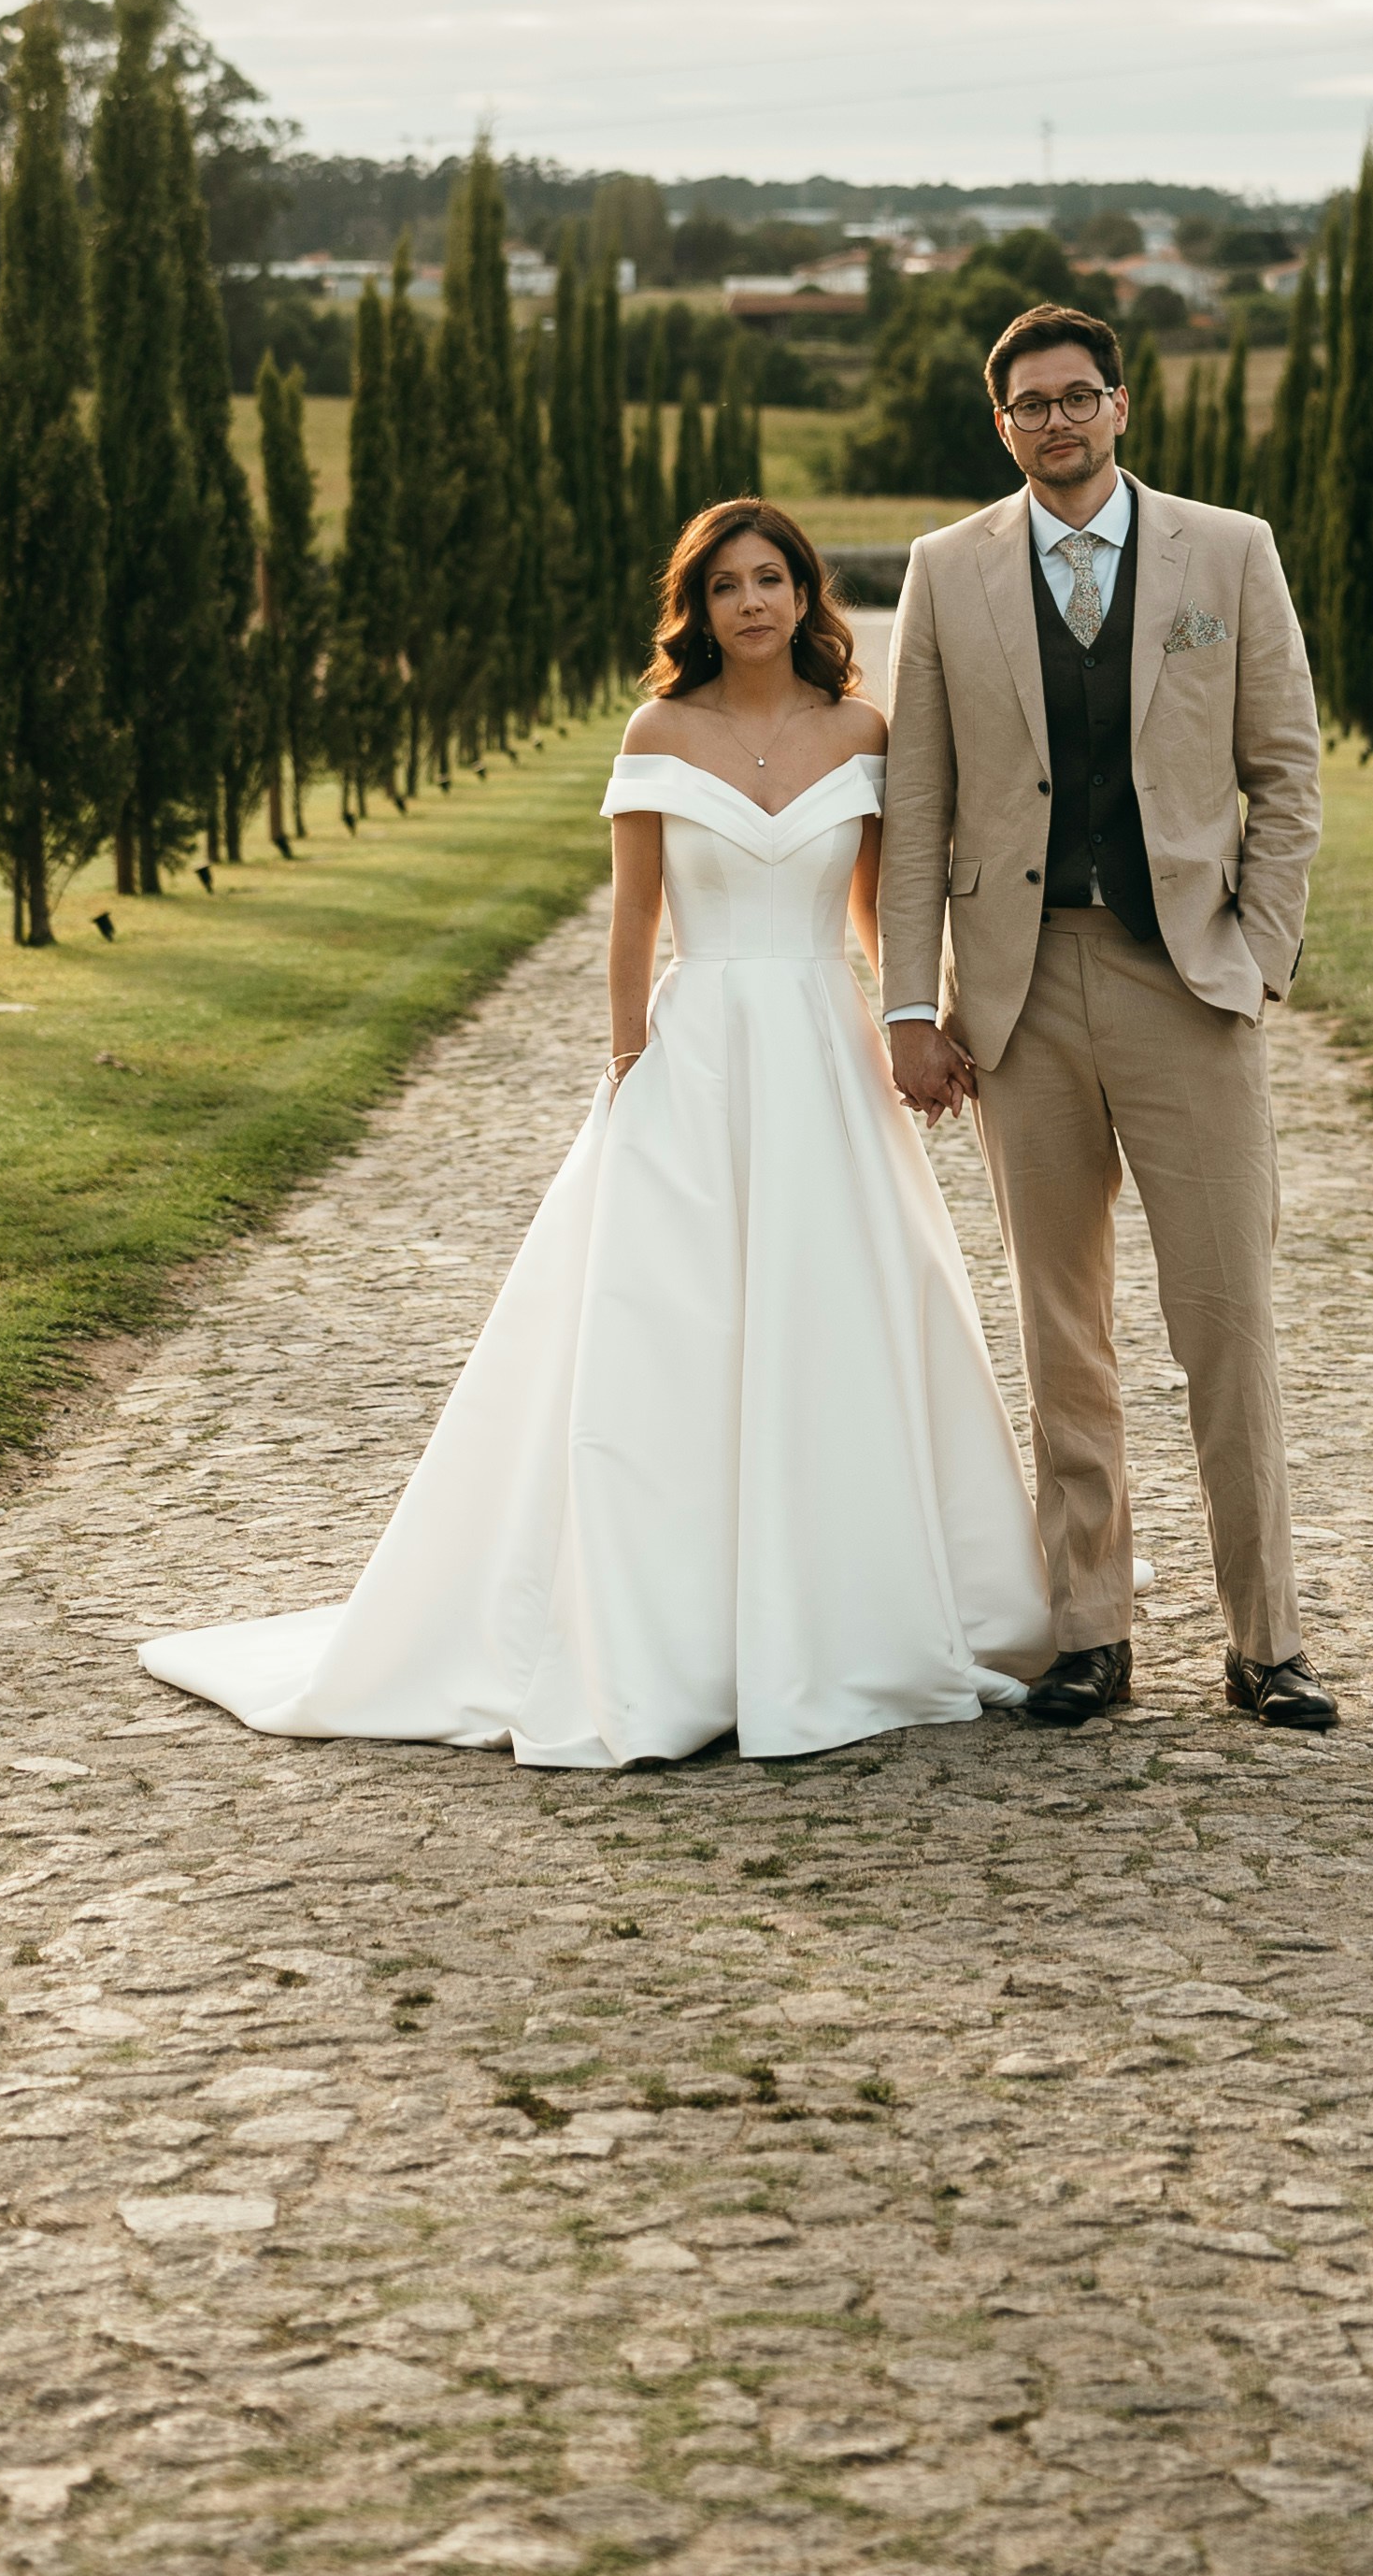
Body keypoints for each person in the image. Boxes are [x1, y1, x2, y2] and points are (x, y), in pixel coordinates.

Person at [140, 498, 1046, 1765]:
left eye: (772, 578)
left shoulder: (862, 731)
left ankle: (844, 1612)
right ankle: (661, 1629)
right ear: (699, 607)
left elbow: (874, 905)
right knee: (668, 1330)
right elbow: (633, 926)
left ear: (806, 595)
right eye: (726, 584)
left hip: (821, 1059)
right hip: (700, 1055)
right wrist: (631, 1064)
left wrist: (913, 1020)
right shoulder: (658, 732)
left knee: (837, 1314)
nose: (752, 603)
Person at [875, 299, 1334, 1730]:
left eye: (1081, 398)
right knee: (1060, 1326)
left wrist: (1256, 957)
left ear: (1121, 408)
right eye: (1031, 405)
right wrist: (909, 1003)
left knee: (1226, 1322)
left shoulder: (1229, 553)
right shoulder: (947, 572)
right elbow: (921, 808)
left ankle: (1267, 1643)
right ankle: (1090, 1632)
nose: (1057, 422)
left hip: (1184, 984)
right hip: (1018, 997)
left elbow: (1287, 771)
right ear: (999, 424)